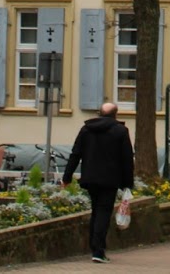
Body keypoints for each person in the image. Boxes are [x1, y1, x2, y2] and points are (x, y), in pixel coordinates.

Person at [63, 101, 135, 263]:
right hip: (110, 180)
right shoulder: (120, 131)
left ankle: (94, 246)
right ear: (115, 114)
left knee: (96, 210)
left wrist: (67, 177)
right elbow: (127, 159)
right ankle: (98, 250)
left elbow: (75, 154)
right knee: (103, 212)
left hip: (90, 178)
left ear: (100, 113)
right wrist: (127, 184)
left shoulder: (86, 129)